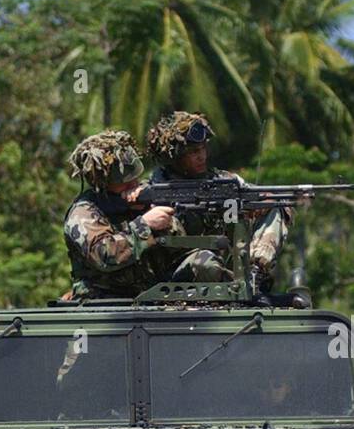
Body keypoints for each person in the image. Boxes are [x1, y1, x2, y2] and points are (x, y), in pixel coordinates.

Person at [144, 111, 291, 297]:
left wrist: (262, 202)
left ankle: (255, 275)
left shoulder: (223, 181)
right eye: (193, 152)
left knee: (276, 207)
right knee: (206, 263)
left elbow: (257, 196)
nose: (202, 156)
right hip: (178, 273)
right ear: (175, 157)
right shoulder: (153, 188)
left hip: (227, 264)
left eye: (203, 148)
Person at [62, 130, 177, 299]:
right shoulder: (83, 213)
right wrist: (145, 224)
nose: (133, 184)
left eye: (135, 178)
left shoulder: (140, 200)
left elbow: (178, 246)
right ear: (102, 183)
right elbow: (105, 255)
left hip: (149, 295)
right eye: (123, 182)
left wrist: (164, 216)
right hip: (103, 302)